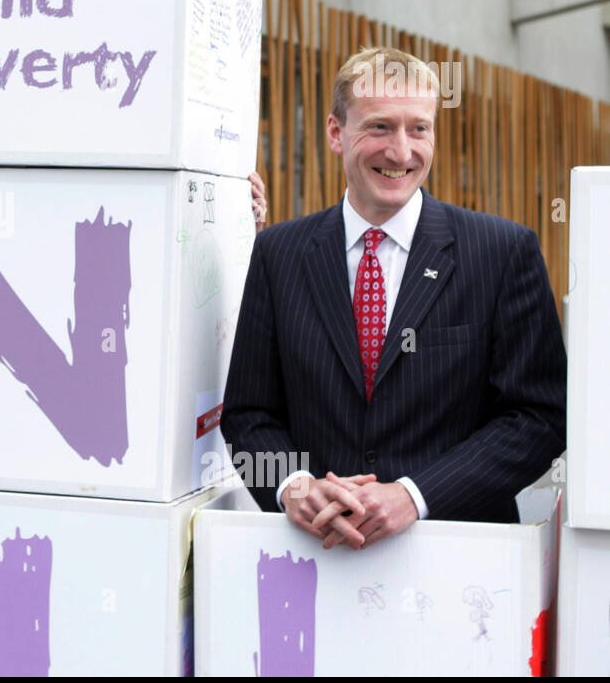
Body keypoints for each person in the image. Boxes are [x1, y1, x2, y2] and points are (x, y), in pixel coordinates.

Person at [221, 46, 565, 550]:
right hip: (315, 560)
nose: (401, 152)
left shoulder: (503, 252)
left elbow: (539, 418)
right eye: (380, 127)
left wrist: (415, 495)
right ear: (336, 134)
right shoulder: (280, 253)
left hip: (461, 565)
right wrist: (294, 487)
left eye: (418, 128)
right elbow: (250, 416)